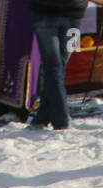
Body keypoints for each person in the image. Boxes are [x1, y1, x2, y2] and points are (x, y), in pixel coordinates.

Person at [0, 0, 41, 124]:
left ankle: (18, 109)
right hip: (5, 8)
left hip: (25, 9)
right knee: (1, 53)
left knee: (20, 54)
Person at [28, 0, 86, 129]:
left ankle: (60, 119)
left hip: (46, 11)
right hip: (75, 14)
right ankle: (43, 117)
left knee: (54, 68)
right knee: (57, 68)